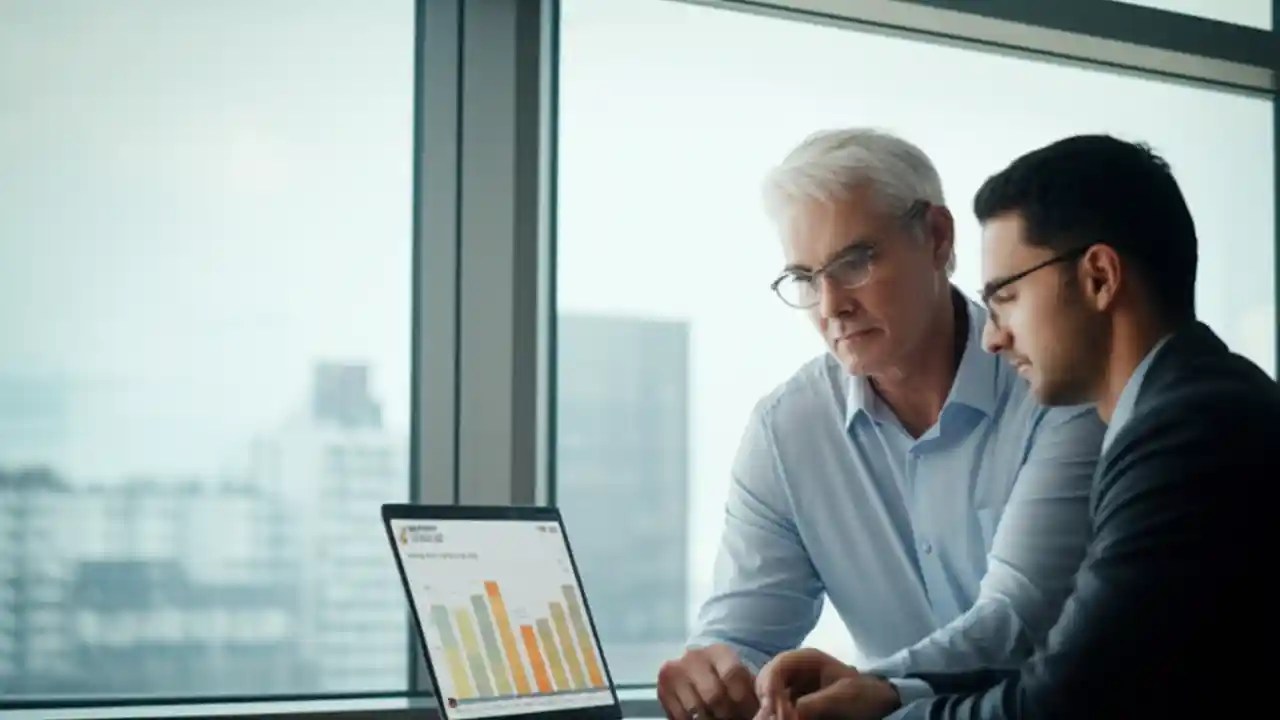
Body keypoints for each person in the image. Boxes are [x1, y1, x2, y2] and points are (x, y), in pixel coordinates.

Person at [754, 134, 1280, 719]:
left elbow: (1063, 698)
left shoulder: (1186, 435)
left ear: (1100, 278)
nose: (993, 335)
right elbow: (1074, 665)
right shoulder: (1188, 410)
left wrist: (874, 710)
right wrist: (885, 691)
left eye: (1006, 296)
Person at [655, 129, 1105, 720]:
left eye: (854, 262)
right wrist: (713, 677)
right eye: (806, 278)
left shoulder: (1055, 387)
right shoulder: (785, 432)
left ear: (939, 239)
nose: (829, 305)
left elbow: (1019, 620)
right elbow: (742, 638)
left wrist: (867, 689)